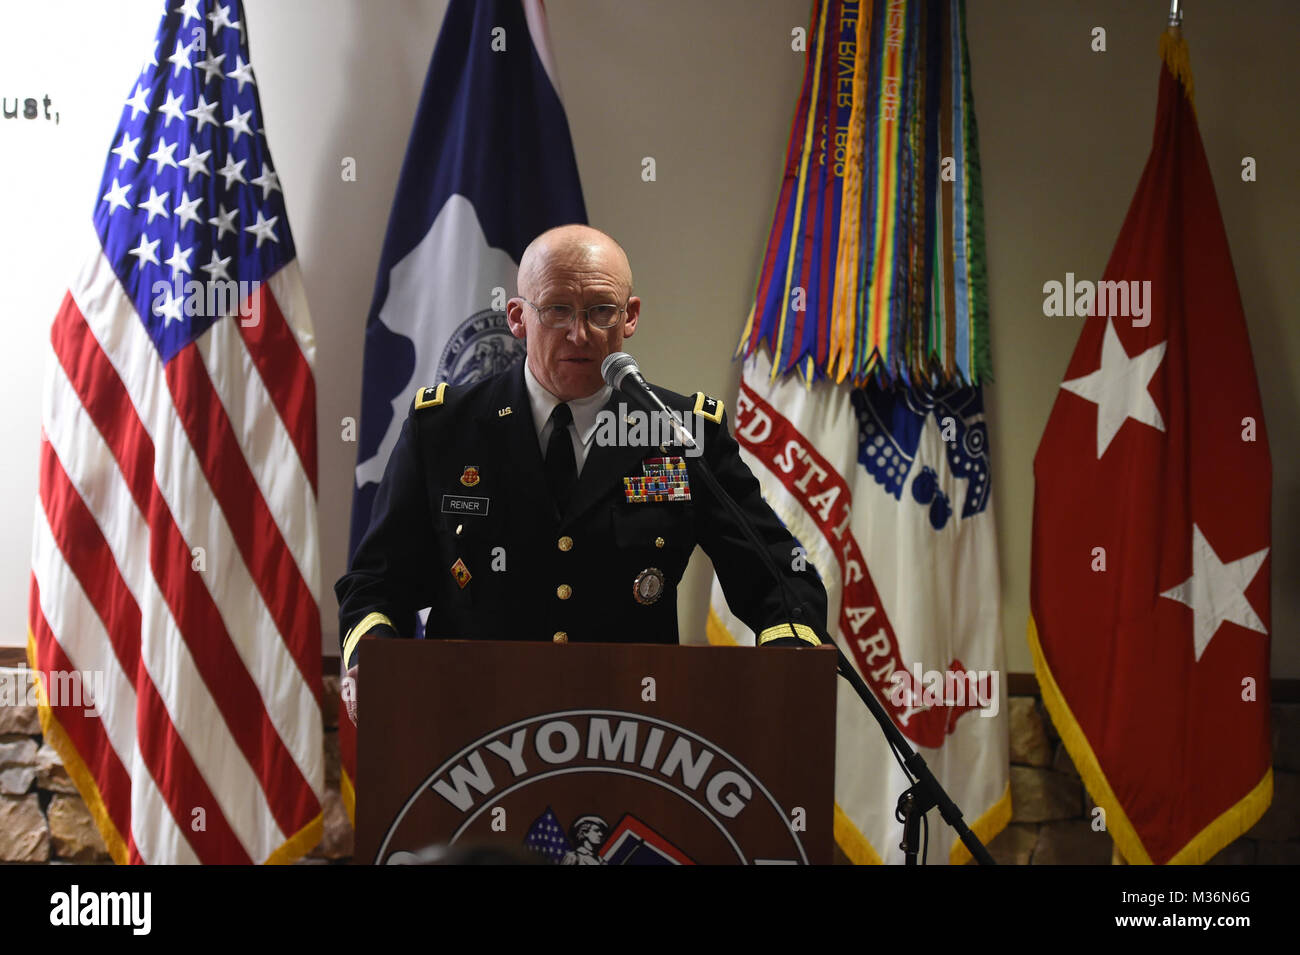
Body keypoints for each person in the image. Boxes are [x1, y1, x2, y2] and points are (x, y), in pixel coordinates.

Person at [336, 225, 828, 723]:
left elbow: (781, 577)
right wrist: (371, 657)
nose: (580, 333)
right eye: (556, 310)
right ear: (517, 318)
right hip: (472, 733)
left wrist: (788, 659)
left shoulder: (681, 434)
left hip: (632, 738)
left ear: (629, 317)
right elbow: (378, 582)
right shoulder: (444, 430)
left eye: (600, 310)